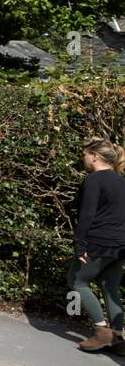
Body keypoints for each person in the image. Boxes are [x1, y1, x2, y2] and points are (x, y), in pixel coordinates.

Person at [68, 138, 125, 353]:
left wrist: (79, 245)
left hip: (98, 242)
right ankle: (118, 338)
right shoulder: (121, 181)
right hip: (120, 246)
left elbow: (87, 215)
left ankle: (102, 332)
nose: (82, 158)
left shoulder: (93, 180)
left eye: (84, 154)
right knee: (110, 287)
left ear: (94, 156)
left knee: (77, 281)